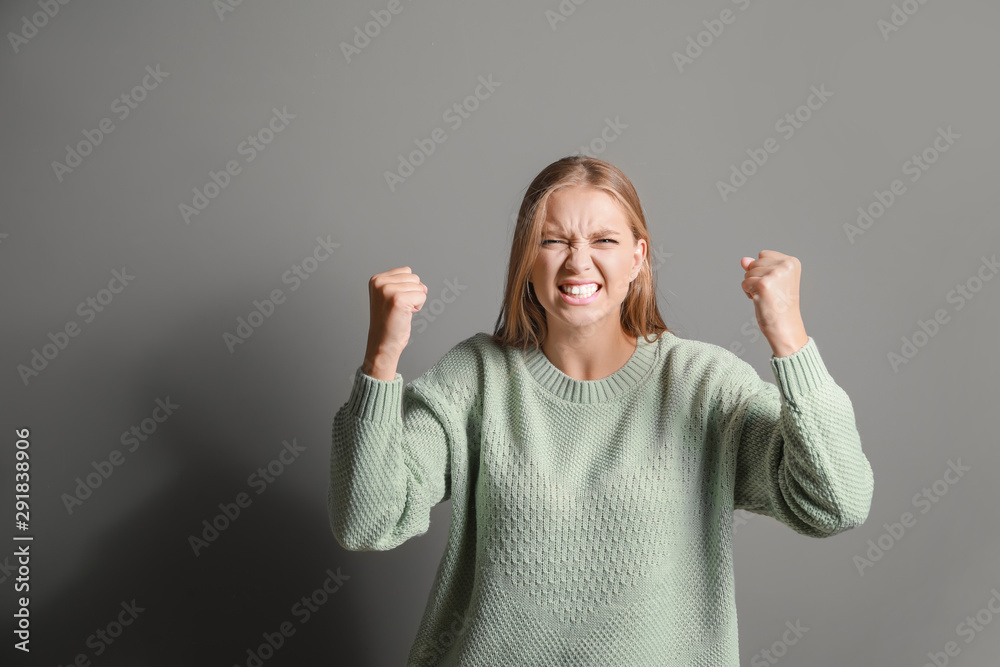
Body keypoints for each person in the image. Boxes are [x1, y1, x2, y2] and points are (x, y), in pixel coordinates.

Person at [329, 155, 875, 666]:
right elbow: (367, 520)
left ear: (637, 257)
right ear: (526, 259)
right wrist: (382, 356)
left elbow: (835, 502)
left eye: (604, 240)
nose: (578, 261)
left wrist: (789, 337)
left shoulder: (703, 384)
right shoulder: (476, 377)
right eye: (553, 240)